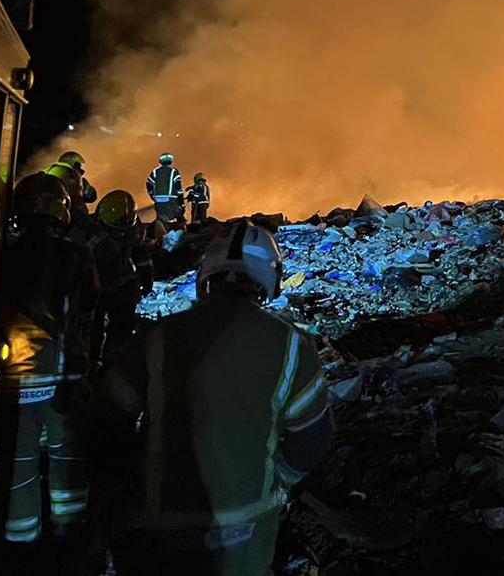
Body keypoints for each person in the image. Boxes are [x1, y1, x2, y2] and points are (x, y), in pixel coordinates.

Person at [98, 222, 333, 575]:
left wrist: (132, 485)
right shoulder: (291, 345)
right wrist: (278, 481)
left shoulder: (157, 337)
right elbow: (312, 440)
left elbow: (107, 422)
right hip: (244, 533)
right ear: (269, 277)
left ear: (207, 273)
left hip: (157, 532)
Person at [0, 173, 100, 572]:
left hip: (15, 382)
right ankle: (68, 540)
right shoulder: (76, 256)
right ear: (62, 210)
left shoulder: (2, 256)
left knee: (18, 466)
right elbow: (91, 303)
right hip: (63, 381)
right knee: (66, 462)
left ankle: (20, 543)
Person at [86, 190, 153, 369]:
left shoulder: (134, 228)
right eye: (115, 231)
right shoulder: (87, 231)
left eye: (124, 231)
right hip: (94, 285)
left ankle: (113, 363)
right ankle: (91, 364)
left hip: (120, 283)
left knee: (124, 323)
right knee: (92, 328)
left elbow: (141, 253)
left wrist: (147, 277)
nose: (121, 235)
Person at [146, 152, 184, 229]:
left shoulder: (155, 171)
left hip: (158, 199)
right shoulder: (174, 171)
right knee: (171, 220)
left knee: (161, 220)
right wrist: (181, 203)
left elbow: (149, 183)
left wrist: (152, 194)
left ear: (161, 161)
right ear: (171, 161)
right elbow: (178, 188)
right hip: (171, 199)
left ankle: (161, 233)